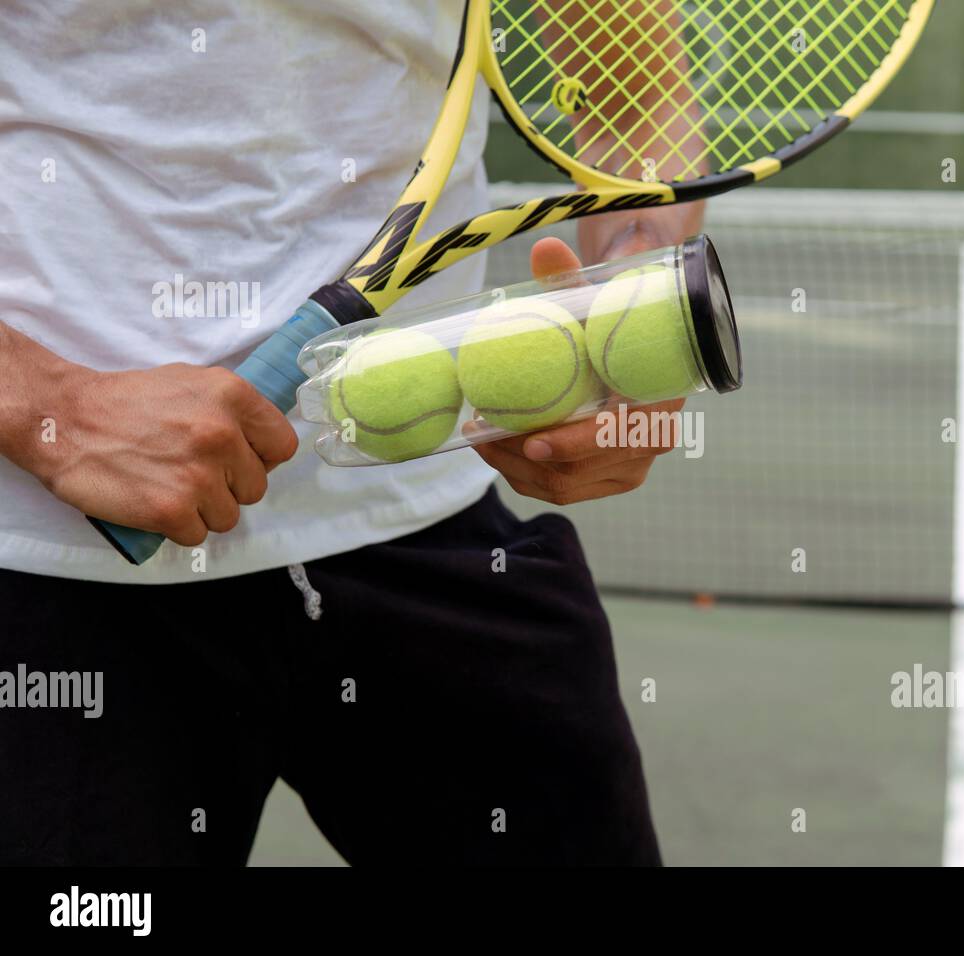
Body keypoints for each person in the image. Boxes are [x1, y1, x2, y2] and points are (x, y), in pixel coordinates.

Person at [0, 0, 699, 865]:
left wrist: (625, 325)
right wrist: (44, 403)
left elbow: (634, 100)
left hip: (430, 521)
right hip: (48, 559)